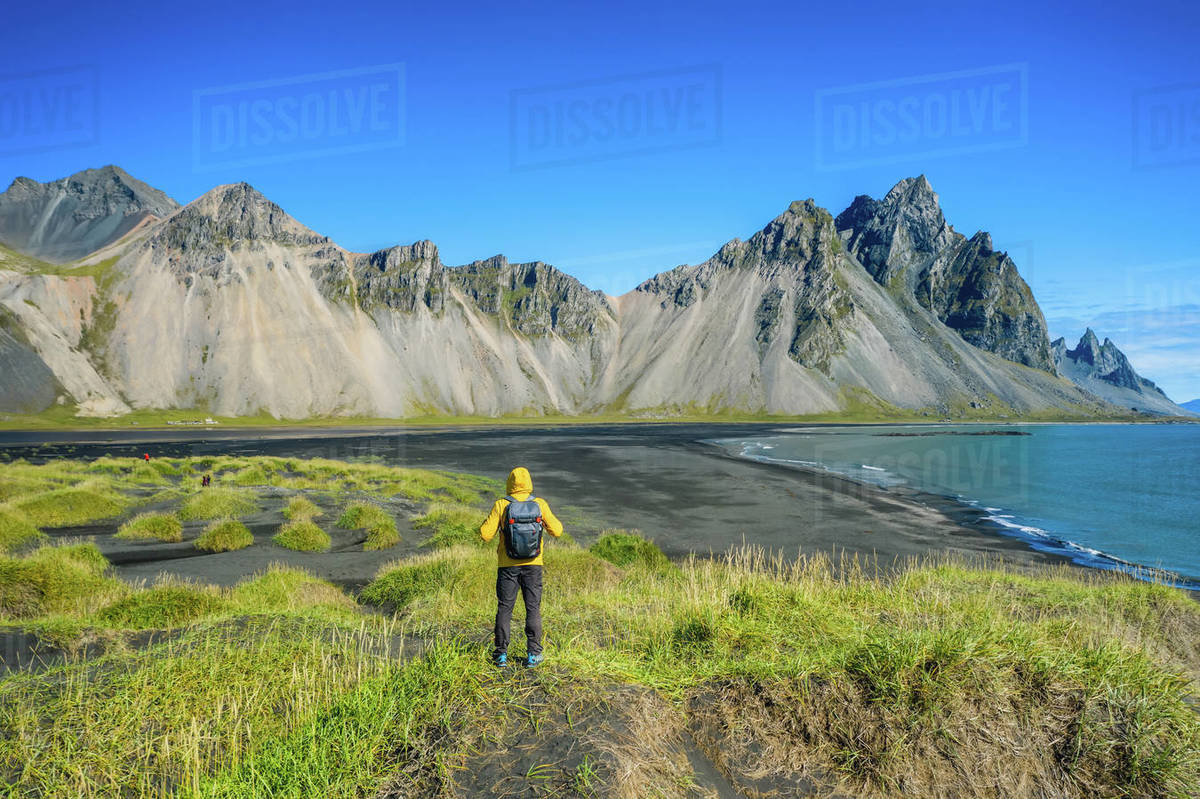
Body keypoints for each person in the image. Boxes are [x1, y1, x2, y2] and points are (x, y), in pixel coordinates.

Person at [479, 466, 563, 668]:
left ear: (510, 483)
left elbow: (485, 534)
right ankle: (533, 654)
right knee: (532, 608)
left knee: (505, 608)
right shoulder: (539, 504)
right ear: (529, 483)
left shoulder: (501, 504)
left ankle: (501, 655)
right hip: (534, 565)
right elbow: (558, 531)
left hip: (507, 566)